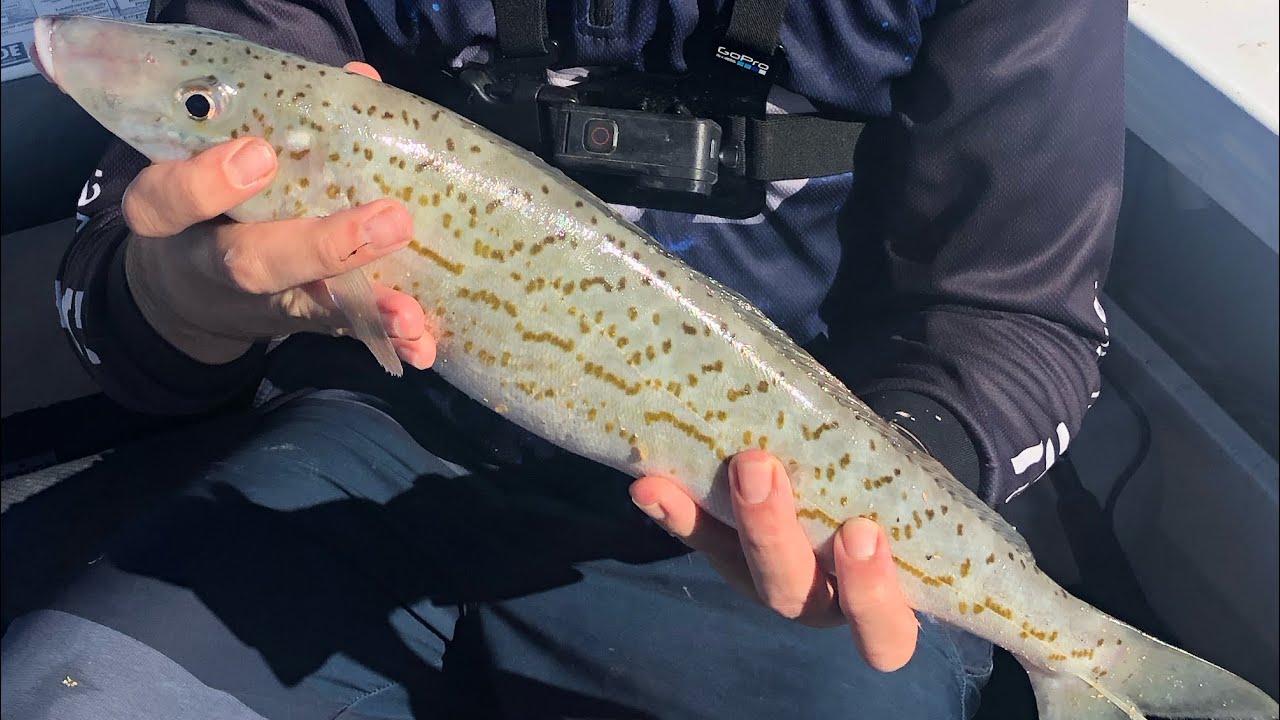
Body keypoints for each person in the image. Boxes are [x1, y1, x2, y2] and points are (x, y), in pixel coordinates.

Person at [2, 0, 1124, 717]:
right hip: (367, 444)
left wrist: (869, 507)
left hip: (752, 537)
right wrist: (184, 291)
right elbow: (119, 298)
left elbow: (1015, 321)